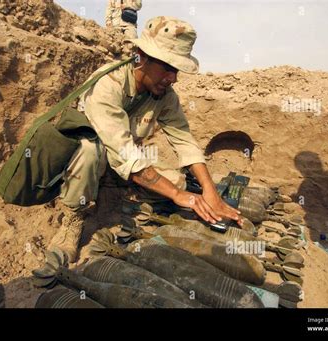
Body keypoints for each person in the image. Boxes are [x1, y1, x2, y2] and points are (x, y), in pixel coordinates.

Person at [50, 16, 242, 263]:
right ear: (142, 57)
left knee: (182, 184)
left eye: (177, 70)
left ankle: (117, 192)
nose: (173, 78)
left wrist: (209, 190)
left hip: (123, 165)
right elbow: (125, 156)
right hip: (88, 163)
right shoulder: (107, 85)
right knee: (90, 151)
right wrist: (176, 195)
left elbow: (184, 139)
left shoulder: (164, 95)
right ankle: (73, 219)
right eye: (168, 68)